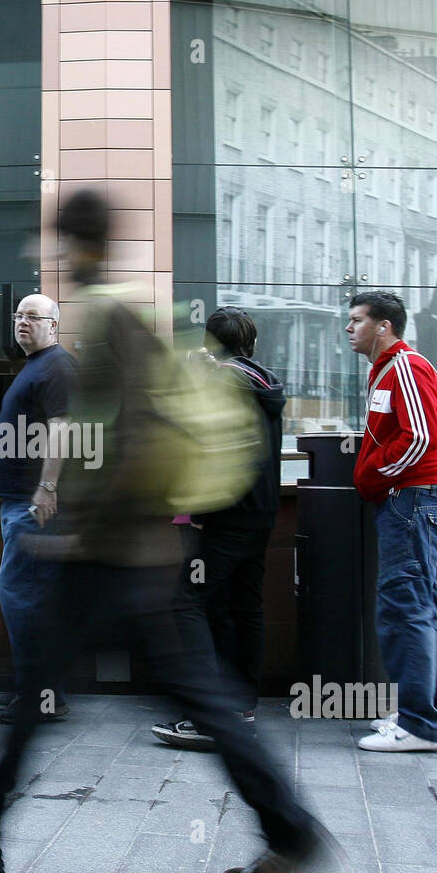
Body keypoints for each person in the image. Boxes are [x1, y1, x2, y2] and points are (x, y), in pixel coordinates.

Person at [0, 189, 338, 873]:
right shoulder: (130, 310)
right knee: (178, 698)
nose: (40, 254)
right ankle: (290, 833)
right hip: (133, 553)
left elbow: (123, 435)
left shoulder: (107, 315)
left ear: (77, 244)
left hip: (110, 555)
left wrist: (81, 529)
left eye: (52, 240)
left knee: (37, 698)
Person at [153, 306, 286, 749]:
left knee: (187, 601)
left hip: (227, 516)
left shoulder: (223, 380)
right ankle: (240, 706)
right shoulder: (263, 379)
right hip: (261, 514)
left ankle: (209, 713)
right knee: (242, 607)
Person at [347, 291, 437, 753]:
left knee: (405, 610)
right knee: (418, 609)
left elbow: (420, 440)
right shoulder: (389, 370)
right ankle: (425, 714)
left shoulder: (404, 367)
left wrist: (373, 477)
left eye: (357, 320)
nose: (350, 329)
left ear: (384, 326)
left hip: (411, 501)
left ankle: (421, 724)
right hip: (413, 500)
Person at [0, 292, 76, 722]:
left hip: (33, 503)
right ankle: (40, 691)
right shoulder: (37, 366)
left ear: (54, 325)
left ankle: (41, 697)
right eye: (19, 316)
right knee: (27, 596)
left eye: (33, 317)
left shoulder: (57, 365)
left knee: (23, 596)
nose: (23, 322)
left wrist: (47, 486)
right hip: (21, 500)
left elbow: (63, 428)